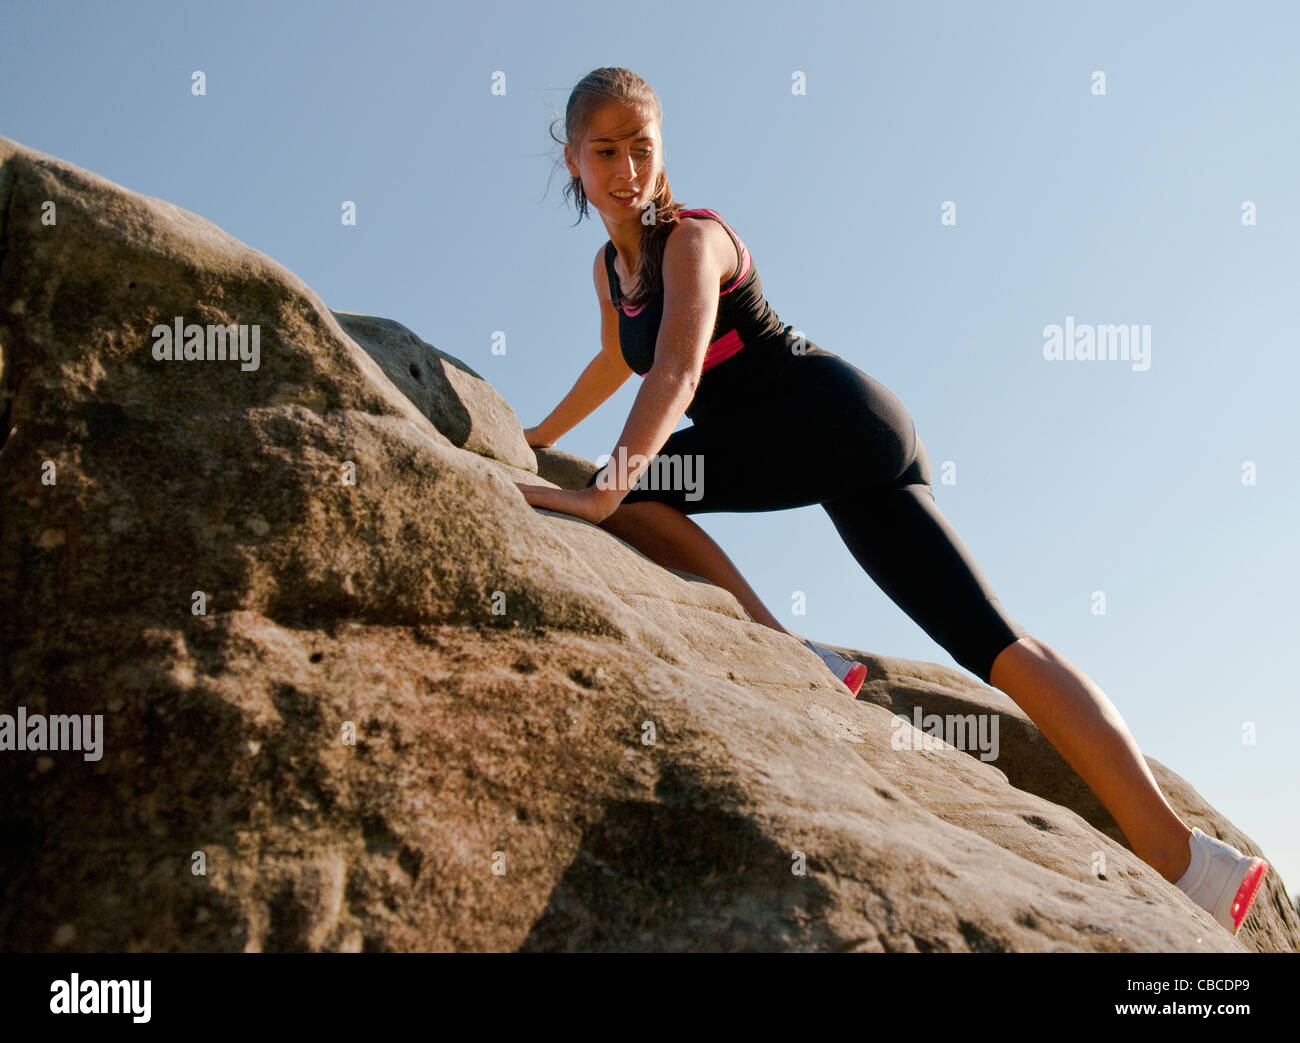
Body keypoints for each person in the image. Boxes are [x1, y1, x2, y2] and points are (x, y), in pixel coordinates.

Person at [513, 67, 1268, 936]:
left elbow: (676, 372)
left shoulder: (692, 241)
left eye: (642, 146)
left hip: (830, 419)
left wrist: (601, 490)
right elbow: (618, 361)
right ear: (573, 159)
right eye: (606, 150)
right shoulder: (611, 272)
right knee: (998, 643)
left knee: (636, 491)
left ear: (661, 147)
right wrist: (532, 434)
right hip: (850, 436)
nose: (627, 169)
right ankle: (1193, 862)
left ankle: (785, 646)